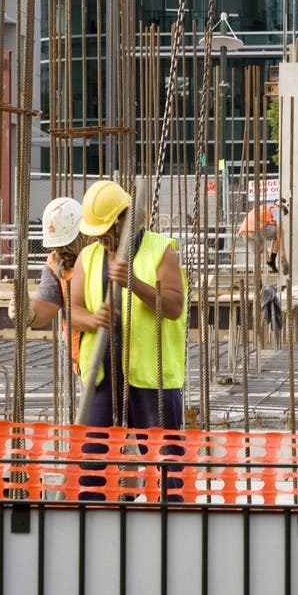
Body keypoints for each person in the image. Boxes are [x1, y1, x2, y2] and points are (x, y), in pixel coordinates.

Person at [70, 180, 187, 430]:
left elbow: (174, 307)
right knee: (90, 460)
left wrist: (134, 283)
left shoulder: (160, 251)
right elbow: (72, 310)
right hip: (101, 377)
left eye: (106, 231)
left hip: (151, 380)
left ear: (124, 221)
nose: (100, 238)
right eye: (96, 233)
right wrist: (92, 320)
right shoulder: (87, 257)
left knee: (163, 462)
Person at [8, 197, 85, 368]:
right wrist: (29, 315)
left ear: (83, 233)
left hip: (128, 352)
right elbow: (47, 304)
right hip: (86, 359)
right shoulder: (56, 262)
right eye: (57, 246)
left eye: (67, 243)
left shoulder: (107, 254)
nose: (61, 250)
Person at [237, 197, 289, 273]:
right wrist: (283, 258)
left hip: (244, 231)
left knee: (257, 256)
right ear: (283, 208)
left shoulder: (265, 208)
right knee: (281, 231)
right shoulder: (277, 210)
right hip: (256, 229)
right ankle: (272, 259)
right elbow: (279, 232)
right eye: (284, 213)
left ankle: (258, 282)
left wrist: (266, 255)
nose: (283, 215)